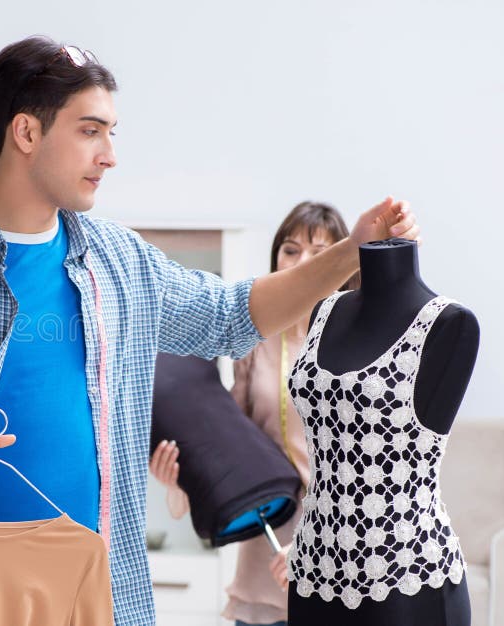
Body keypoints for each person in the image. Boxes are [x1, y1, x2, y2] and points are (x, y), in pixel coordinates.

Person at [0, 36, 418, 625]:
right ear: (25, 132)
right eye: (90, 132)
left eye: (110, 132)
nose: (110, 156)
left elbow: (231, 315)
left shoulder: (121, 261)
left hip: (93, 596)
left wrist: (350, 253)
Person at [149, 201, 360, 626]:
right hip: (266, 560)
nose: (303, 263)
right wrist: (176, 486)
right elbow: (226, 447)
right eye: (291, 249)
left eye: (321, 253)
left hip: (341, 557)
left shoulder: (364, 348)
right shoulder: (256, 344)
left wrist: (312, 548)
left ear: (344, 266)